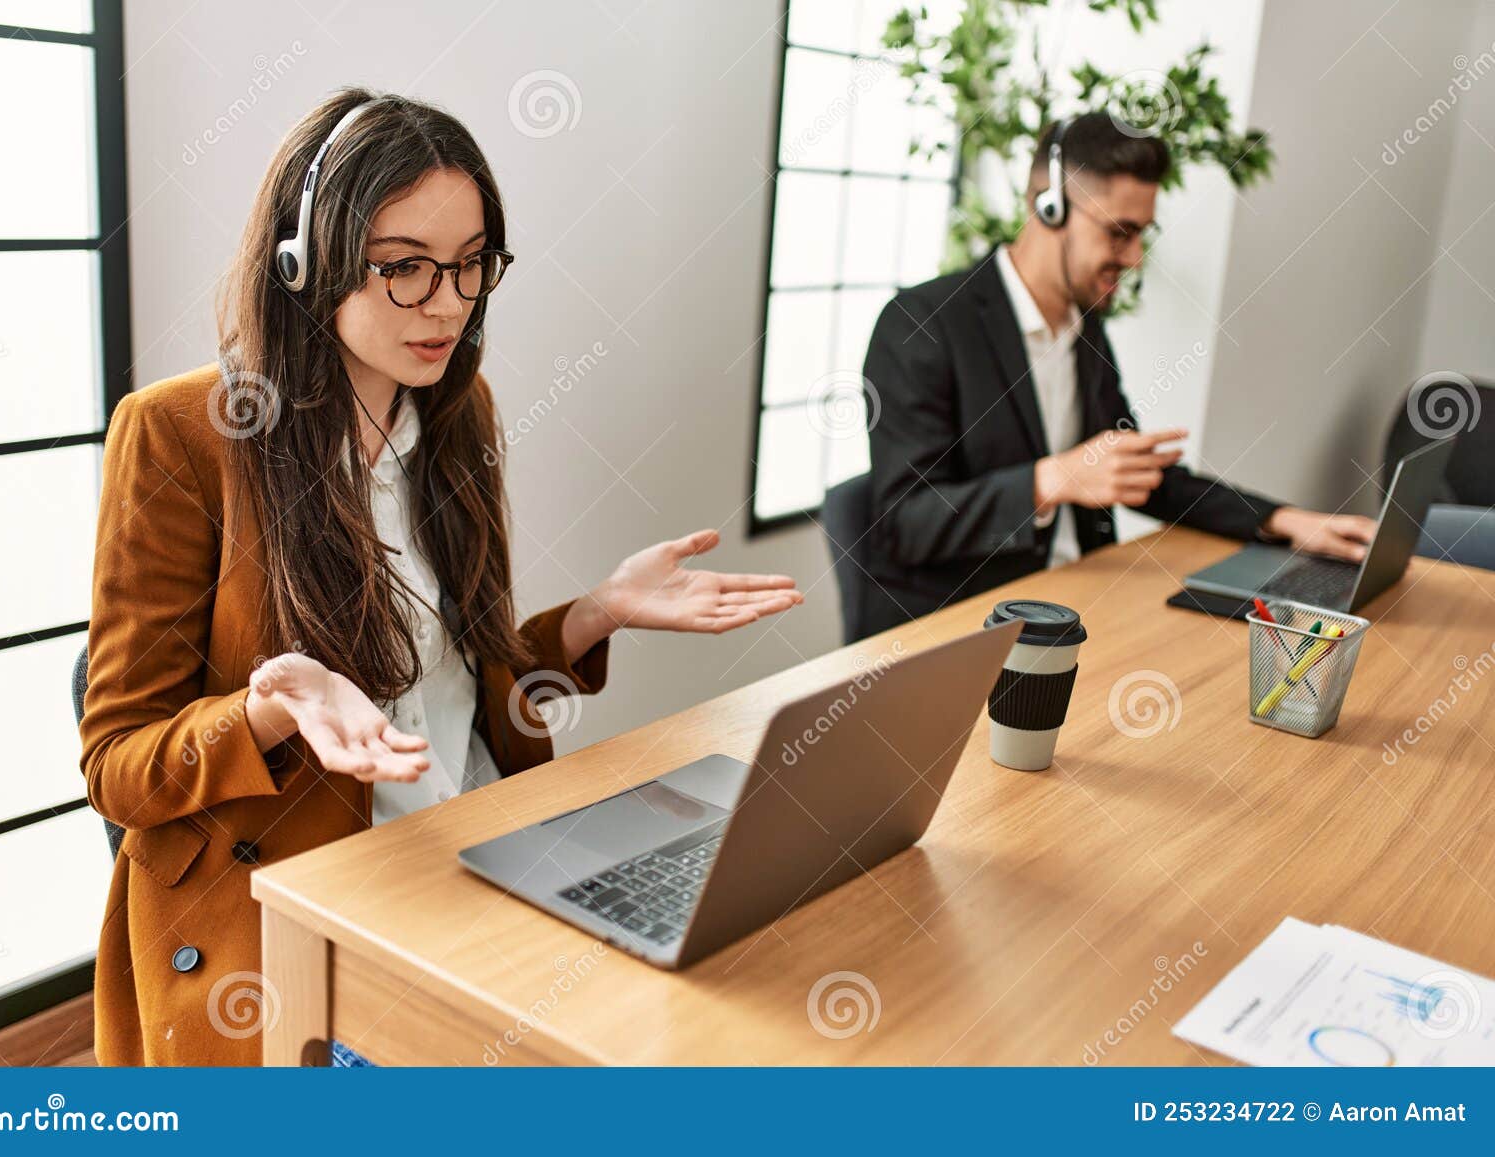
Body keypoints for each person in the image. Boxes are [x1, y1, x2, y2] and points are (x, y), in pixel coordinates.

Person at [79, 88, 802, 1066]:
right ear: (305, 263)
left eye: (470, 267)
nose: (449, 304)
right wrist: (268, 708)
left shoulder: (457, 413)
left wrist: (596, 612)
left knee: (729, 1002)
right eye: (407, 269)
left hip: (482, 849)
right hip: (307, 920)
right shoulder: (181, 436)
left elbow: (460, 678)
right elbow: (118, 764)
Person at [859, 111, 1375, 635]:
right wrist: (1053, 480)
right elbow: (905, 523)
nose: (1134, 258)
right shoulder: (921, 325)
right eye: (1119, 232)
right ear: (1049, 209)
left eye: (1141, 235)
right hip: (969, 625)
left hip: (1078, 601)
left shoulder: (1083, 327)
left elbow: (1139, 475)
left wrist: (1281, 521)